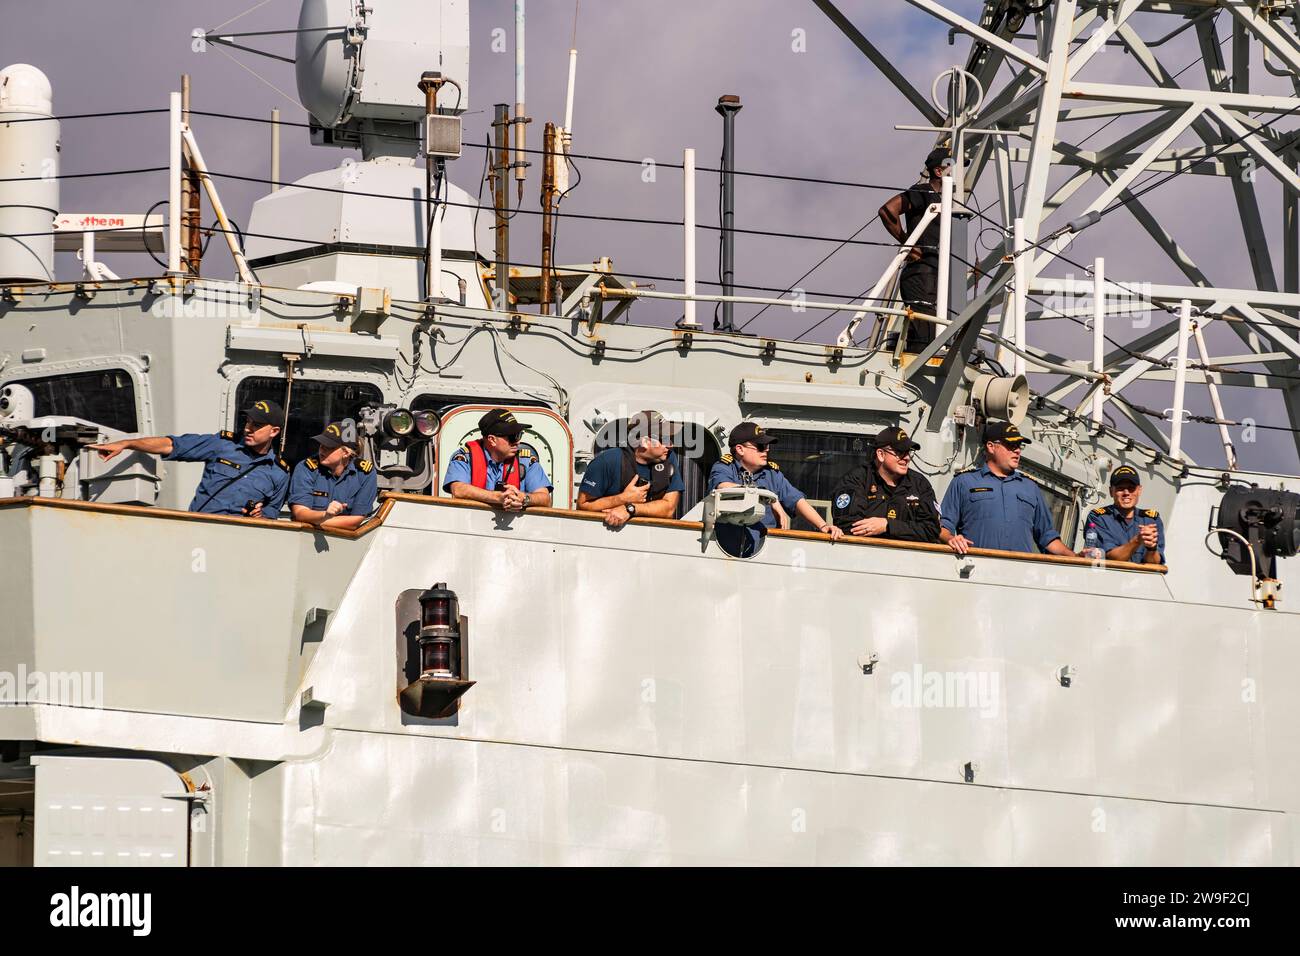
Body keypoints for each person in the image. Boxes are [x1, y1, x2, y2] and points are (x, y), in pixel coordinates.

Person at [88, 399, 290, 518]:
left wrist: (259, 516)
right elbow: (172, 444)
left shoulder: (279, 473)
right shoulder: (221, 445)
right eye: (247, 422)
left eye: (256, 425)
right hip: (199, 530)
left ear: (274, 431)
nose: (247, 428)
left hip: (239, 541)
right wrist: (127, 444)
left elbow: (271, 515)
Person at [940, 421, 1075, 557]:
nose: (1017, 450)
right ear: (991, 447)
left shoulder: (1030, 487)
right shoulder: (964, 482)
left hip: (1018, 572)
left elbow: (1047, 537)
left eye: (1019, 446)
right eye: (1011, 445)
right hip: (976, 570)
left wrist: (1075, 556)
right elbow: (943, 527)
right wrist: (952, 539)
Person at [708, 422, 842, 553]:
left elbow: (797, 501)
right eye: (760, 446)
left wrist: (823, 526)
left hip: (764, 551)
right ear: (740, 449)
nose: (766, 450)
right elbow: (723, 487)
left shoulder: (772, 474)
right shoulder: (724, 467)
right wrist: (768, 497)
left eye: (767, 446)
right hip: (723, 550)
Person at [878, 146, 951, 352]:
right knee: (924, 338)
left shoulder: (948, 201)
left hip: (936, 274)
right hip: (922, 273)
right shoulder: (924, 192)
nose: (958, 173)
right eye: (952, 167)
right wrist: (908, 243)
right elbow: (887, 210)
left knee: (935, 333)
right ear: (939, 171)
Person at [830, 425, 940, 542]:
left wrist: (887, 526)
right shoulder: (856, 480)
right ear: (881, 454)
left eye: (908, 452)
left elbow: (932, 530)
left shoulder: (920, 484)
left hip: (907, 557)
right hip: (864, 555)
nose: (907, 458)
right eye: (900, 452)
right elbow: (848, 526)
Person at [577, 409, 684, 528]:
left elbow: (669, 509)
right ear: (645, 442)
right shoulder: (607, 461)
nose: (670, 445)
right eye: (663, 439)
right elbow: (582, 506)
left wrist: (629, 508)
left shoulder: (669, 458)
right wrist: (622, 498)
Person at [443, 408, 553, 512]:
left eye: (519, 435)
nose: (518, 441)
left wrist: (524, 498)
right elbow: (458, 490)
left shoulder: (526, 461)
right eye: (512, 437)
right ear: (492, 440)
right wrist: (498, 497)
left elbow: (546, 499)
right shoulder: (465, 457)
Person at [288, 420, 378, 531]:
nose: (322, 450)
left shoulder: (365, 474)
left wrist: (315, 520)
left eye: (329, 447)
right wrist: (325, 515)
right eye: (321, 444)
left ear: (346, 453)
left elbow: (355, 521)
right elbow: (300, 513)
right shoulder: (306, 468)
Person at [1083, 465, 1166, 565]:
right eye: (1120, 488)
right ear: (1111, 491)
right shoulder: (1098, 518)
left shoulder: (1151, 520)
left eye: (1131, 488)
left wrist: (1151, 548)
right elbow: (1113, 558)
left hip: (1140, 580)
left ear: (1139, 490)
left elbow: (1154, 563)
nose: (1126, 493)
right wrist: (1137, 540)